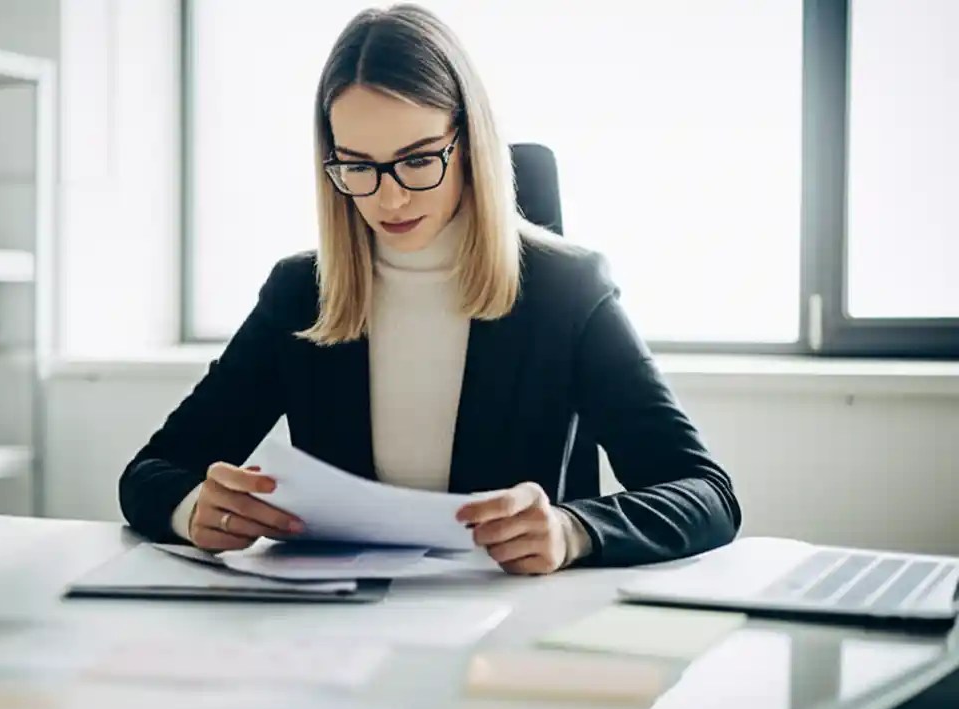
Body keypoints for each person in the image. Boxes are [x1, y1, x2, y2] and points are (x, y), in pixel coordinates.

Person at [119, 4, 740, 574]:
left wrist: (571, 529)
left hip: (510, 641)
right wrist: (194, 508)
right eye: (358, 166)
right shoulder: (301, 293)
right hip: (336, 632)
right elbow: (150, 473)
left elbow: (706, 494)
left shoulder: (567, 290)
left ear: (470, 145)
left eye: (418, 160)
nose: (389, 198)